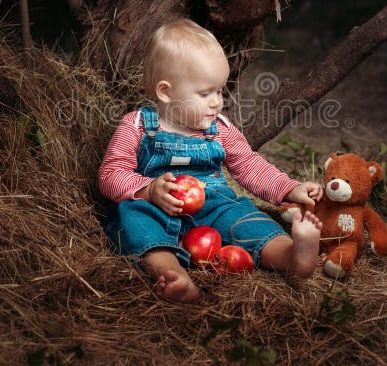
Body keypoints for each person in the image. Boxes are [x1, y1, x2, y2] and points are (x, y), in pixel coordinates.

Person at [98, 19, 323, 303]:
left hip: (213, 204)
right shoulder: (138, 125)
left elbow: (250, 166)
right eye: (205, 93)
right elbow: (110, 173)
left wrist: (289, 189)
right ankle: (171, 272)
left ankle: (292, 255)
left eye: (219, 90)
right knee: (133, 218)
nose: (217, 101)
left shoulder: (220, 129)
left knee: (246, 220)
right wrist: (149, 191)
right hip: (156, 208)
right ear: (166, 92)